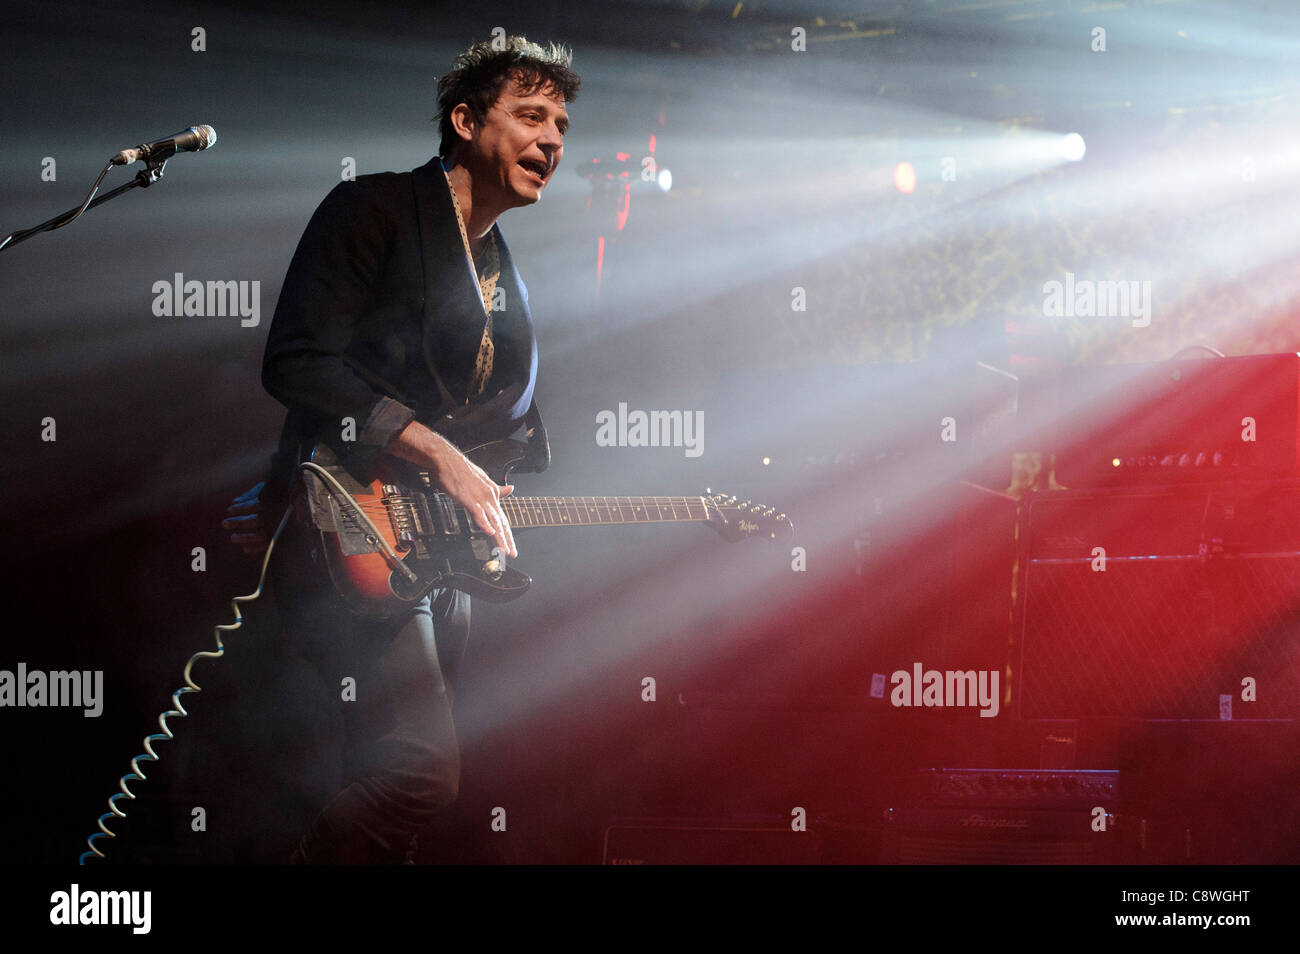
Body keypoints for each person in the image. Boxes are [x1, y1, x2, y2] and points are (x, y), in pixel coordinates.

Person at [221, 35, 580, 864]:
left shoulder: (501, 265)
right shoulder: (372, 208)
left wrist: (490, 476)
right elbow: (297, 359)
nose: (554, 139)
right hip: (353, 530)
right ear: (463, 120)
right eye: (530, 115)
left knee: (383, 775)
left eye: (561, 122)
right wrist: (303, 480)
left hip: (432, 547)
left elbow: (492, 417)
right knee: (419, 773)